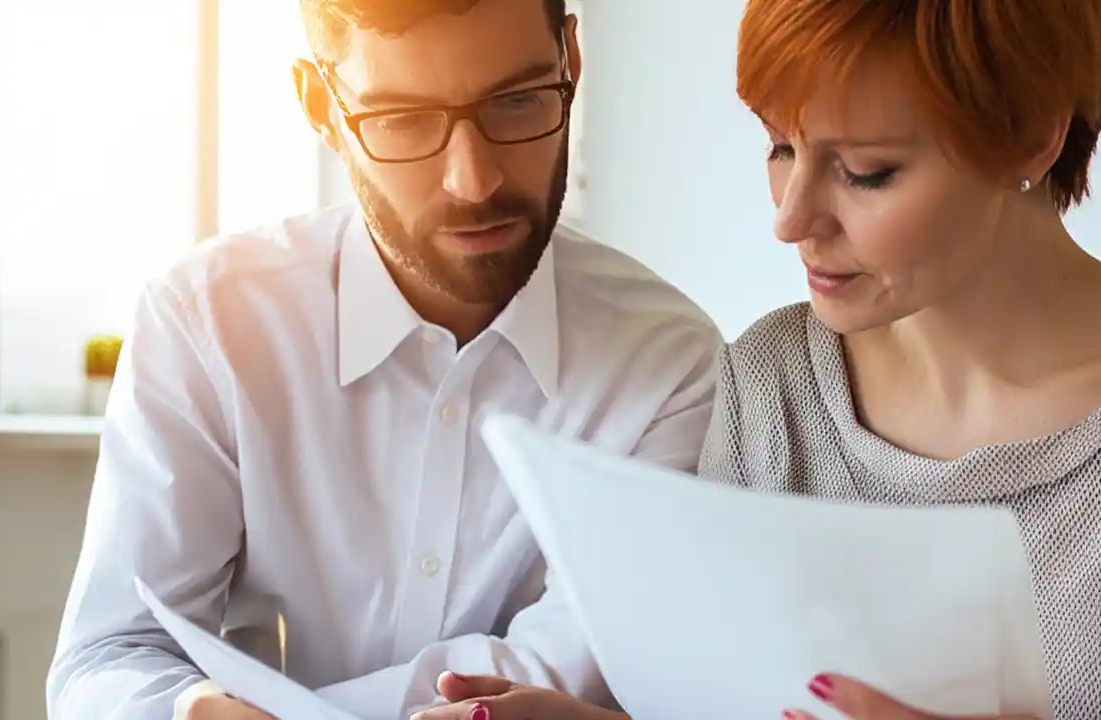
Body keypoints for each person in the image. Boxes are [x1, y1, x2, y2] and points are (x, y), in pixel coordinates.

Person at [413, 0, 1101, 718]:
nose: (791, 217)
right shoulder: (771, 383)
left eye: (864, 171)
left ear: (1031, 139)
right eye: (780, 148)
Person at [44, 1, 722, 718]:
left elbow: (576, 670)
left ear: (571, 64)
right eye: (402, 119)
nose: (474, 180)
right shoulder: (207, 322)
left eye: (518, 102)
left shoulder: (671, 363)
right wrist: (193, 711)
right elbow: (108, 658)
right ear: (320, 105)